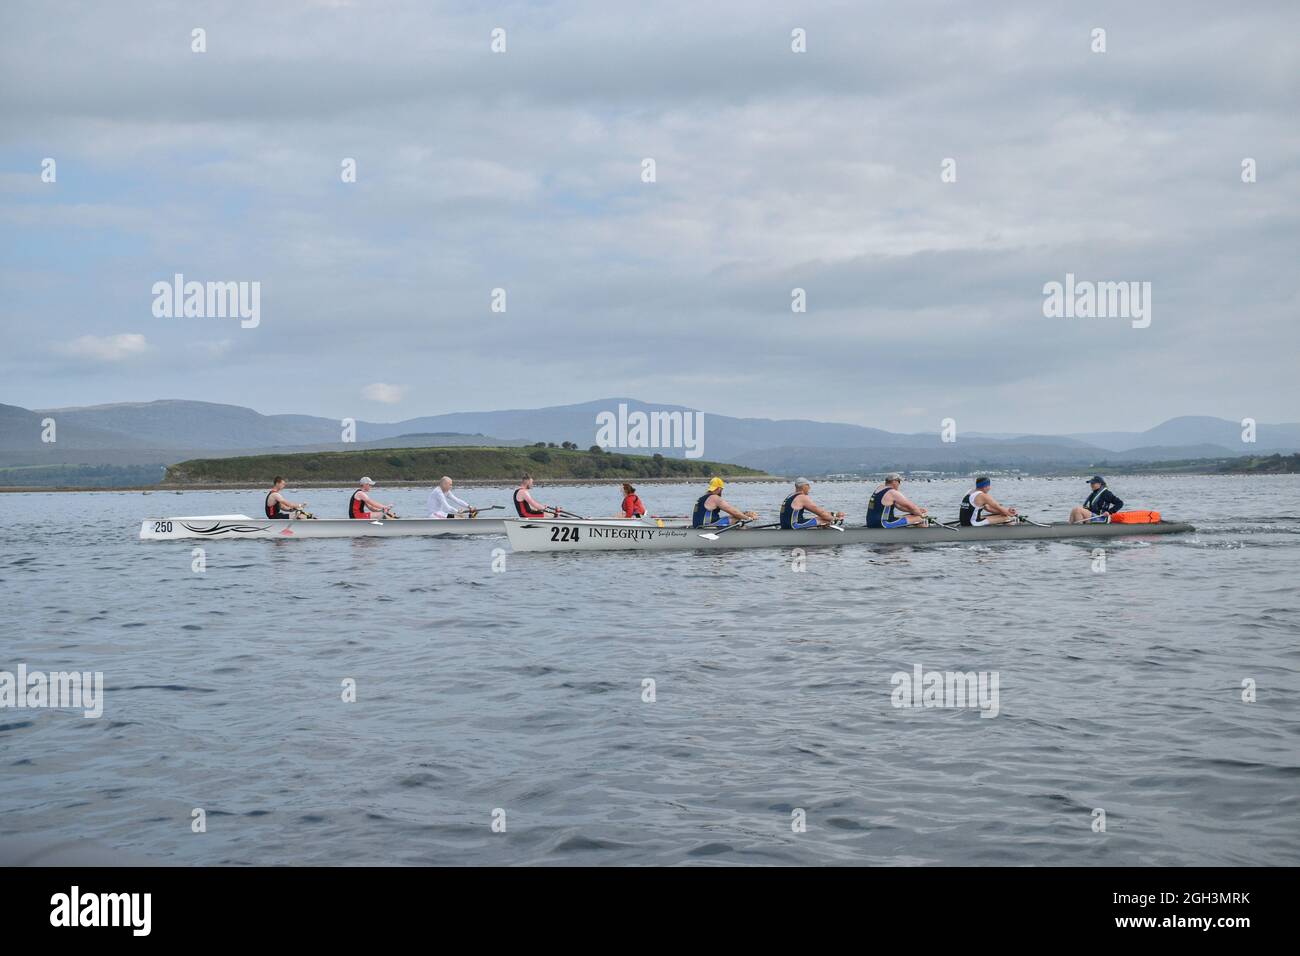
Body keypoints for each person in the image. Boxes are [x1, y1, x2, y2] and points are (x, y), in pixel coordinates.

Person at [691, 477, 758, 529]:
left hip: (697, 526)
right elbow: (733, 511)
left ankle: (742, 529)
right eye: (722, 489)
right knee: (735, 518)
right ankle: (744, 534)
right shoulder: (715, 498)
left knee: (734, 516)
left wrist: (745, 514)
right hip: (705, 527)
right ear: (719, 488)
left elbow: (734, 513)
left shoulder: (702, 498)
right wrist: (748, 518)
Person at [779, 478, 845, 529]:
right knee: (824, 520)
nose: (809, 488)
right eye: (808, 485)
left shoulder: (790, 496)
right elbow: (821, 513)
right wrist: (836, 519)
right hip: (793, 526)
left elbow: (821, 513)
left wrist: (833, 514)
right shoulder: (802, 497)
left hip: (784, 525)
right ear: (804, 486)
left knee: (823, 518)